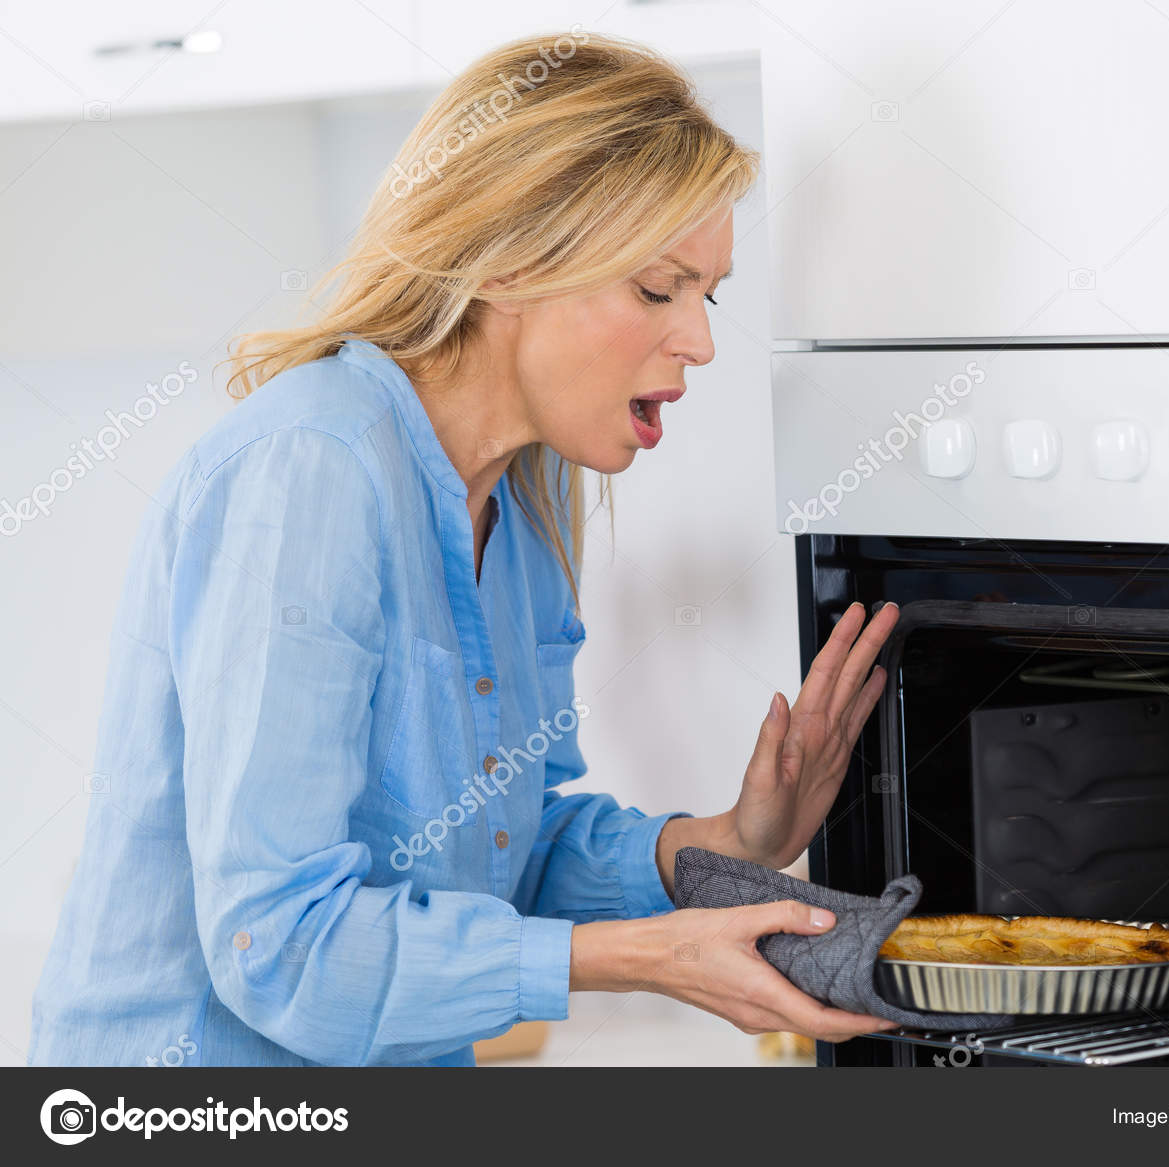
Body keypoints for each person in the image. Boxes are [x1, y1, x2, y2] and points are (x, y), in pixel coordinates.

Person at [30, 32, 899, 1066]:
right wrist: (638, 957)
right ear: (511, 267)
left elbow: (498, 852)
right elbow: (282, 948)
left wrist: (716, 847)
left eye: (703, 296)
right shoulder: (311, 473)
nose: (700, 342)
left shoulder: (524, 499)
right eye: (658, 289)